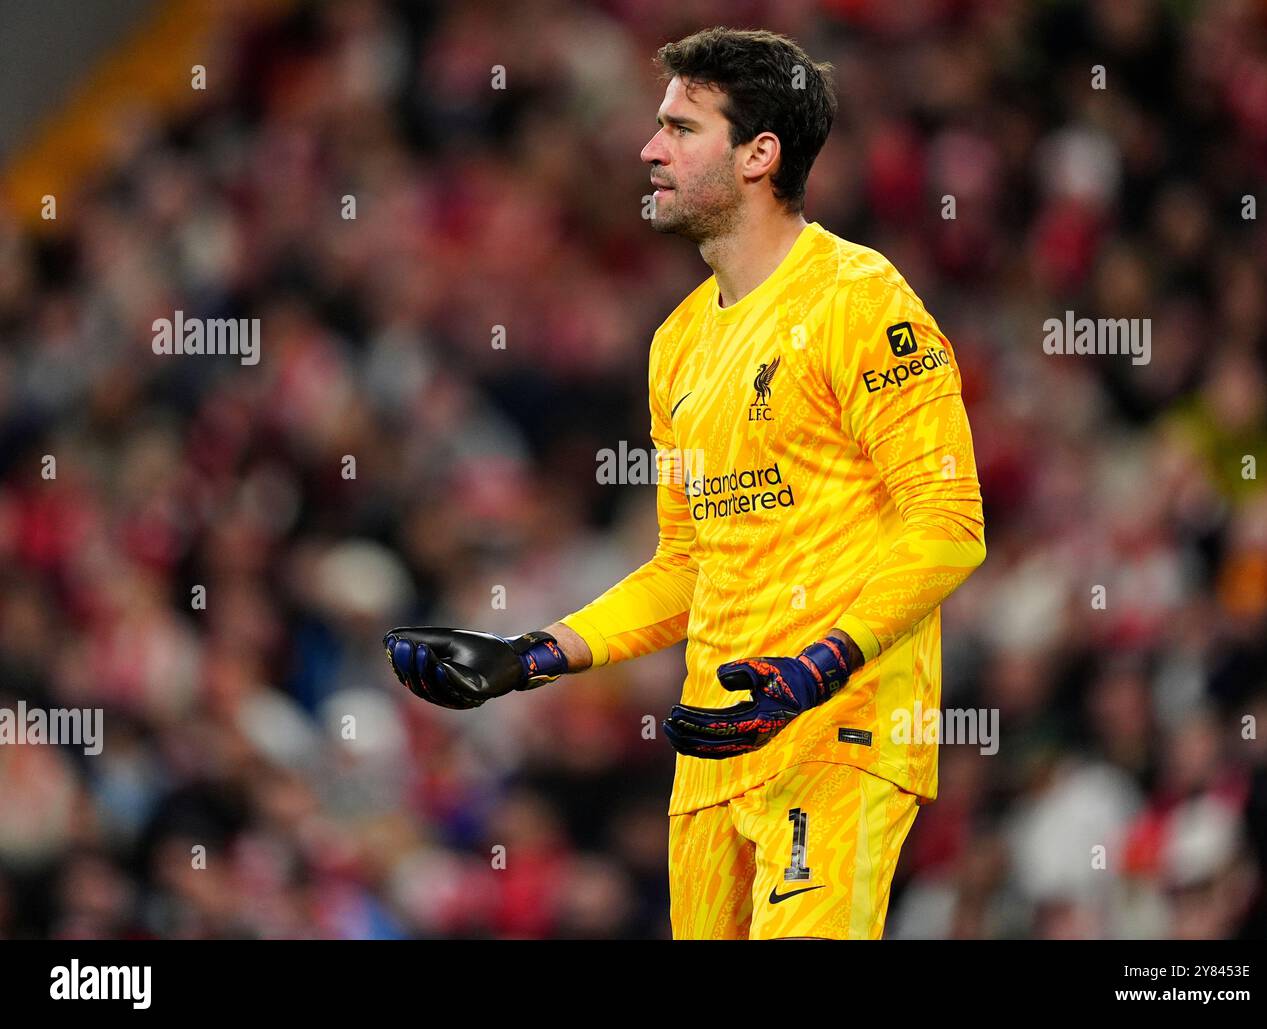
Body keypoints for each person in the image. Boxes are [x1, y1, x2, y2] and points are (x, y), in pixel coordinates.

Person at [384, 26, 986, 940]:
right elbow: (687, 566)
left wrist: (820, 665)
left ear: (759, 154)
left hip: (837, 734)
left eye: (680, 128)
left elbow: (949, 521)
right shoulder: (677, 344)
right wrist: (531, 655)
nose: (648, 148)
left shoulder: (861, 299)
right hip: (711, 756)